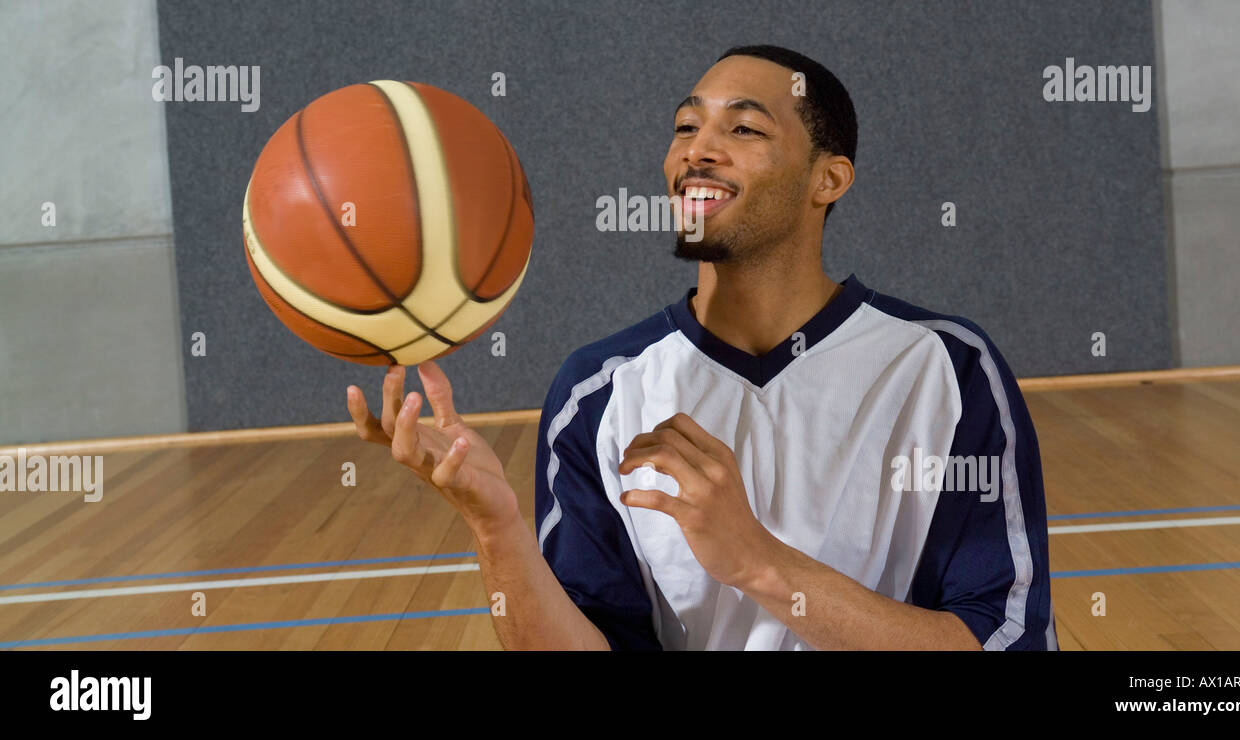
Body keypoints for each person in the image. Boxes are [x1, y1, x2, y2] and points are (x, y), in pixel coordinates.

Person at [347, 44, 1057, 650]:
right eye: (686, 126)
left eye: (743, 129)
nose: (697, 150)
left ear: (828, 179)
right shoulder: (599, 390)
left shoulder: (948, 368)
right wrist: (495, 525)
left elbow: (1004, 638)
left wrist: (758, 563)